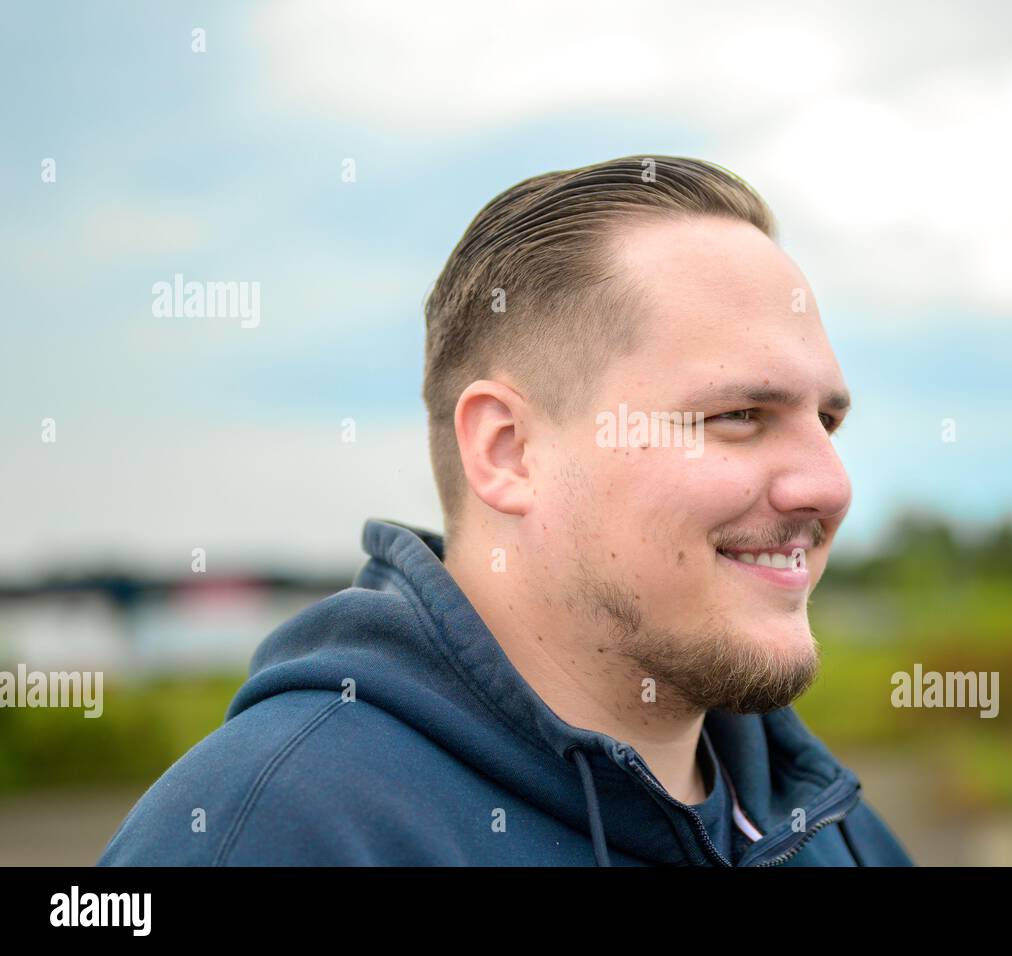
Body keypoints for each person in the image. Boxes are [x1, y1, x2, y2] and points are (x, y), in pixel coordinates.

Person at [98, 155, 912, 866]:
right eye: (738, 415)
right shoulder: (267, 834)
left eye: (827, 421)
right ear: (508, 450)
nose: (830, 485)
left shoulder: (827, 827)